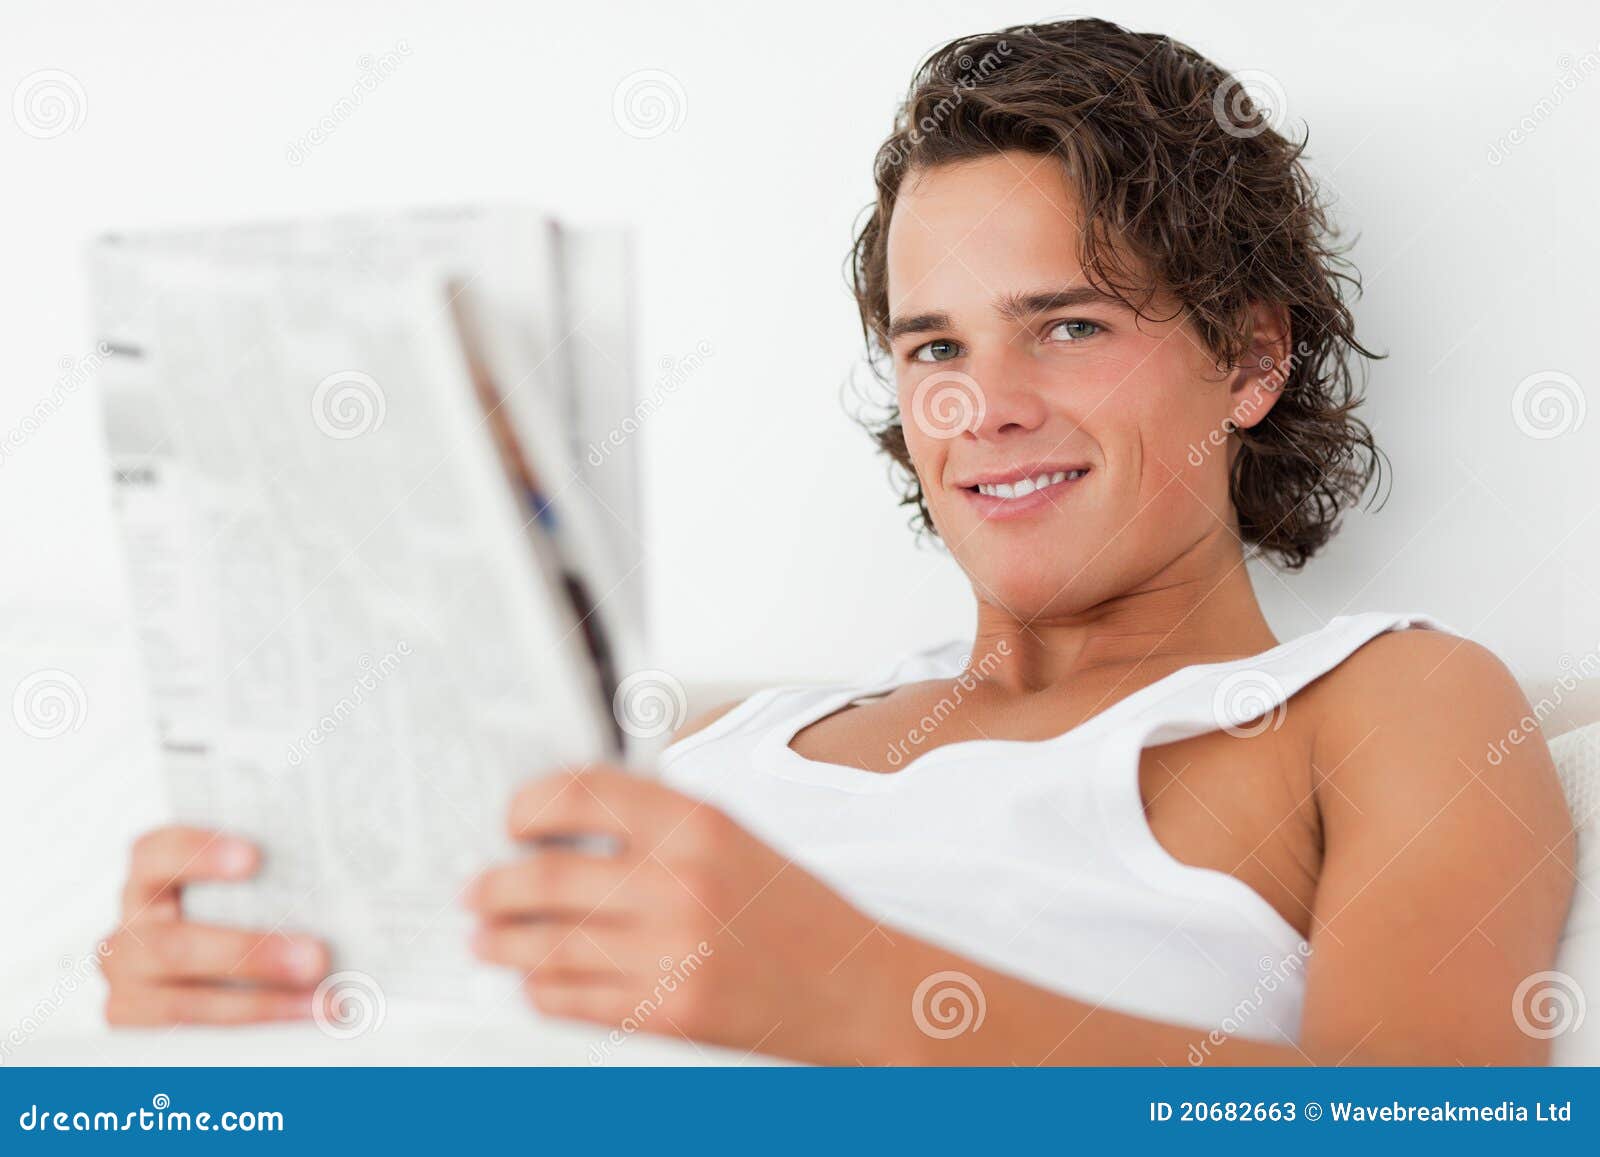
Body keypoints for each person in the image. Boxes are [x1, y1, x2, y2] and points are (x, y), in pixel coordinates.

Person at [101, 18, 1575, 1064]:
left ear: (1250, 358)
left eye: (1066, 324)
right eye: (934, 345)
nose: (983, 407)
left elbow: (1434, 1121)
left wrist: (858, 996)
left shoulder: (1380, 705)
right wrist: (228, 1017)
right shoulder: (722, 746)